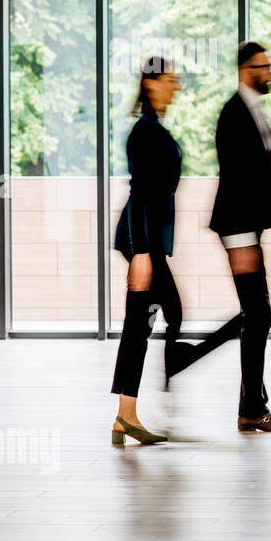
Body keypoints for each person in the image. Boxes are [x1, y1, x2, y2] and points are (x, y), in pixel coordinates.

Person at [209, 41, 271, 433]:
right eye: (265, 67)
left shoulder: (253, 110)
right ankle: (251, 409)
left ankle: (253, 406)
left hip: (249, 227)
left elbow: (262, 174)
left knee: (256, 315)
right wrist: (243, 240)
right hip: (238, 228)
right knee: (258, 315)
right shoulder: (234, 114)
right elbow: (236, 181)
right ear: (247, 70)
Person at [109, 56, 184, 445]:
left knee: (143, 323)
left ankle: (127, 414)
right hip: (144, 245)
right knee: (160, 317)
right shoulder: (143, 132)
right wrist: (140, 254)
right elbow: (138, 196)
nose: (177, 87)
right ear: (151, 83)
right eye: (171, 80)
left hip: (150, 244)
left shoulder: (154, 128)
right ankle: (142, 410)